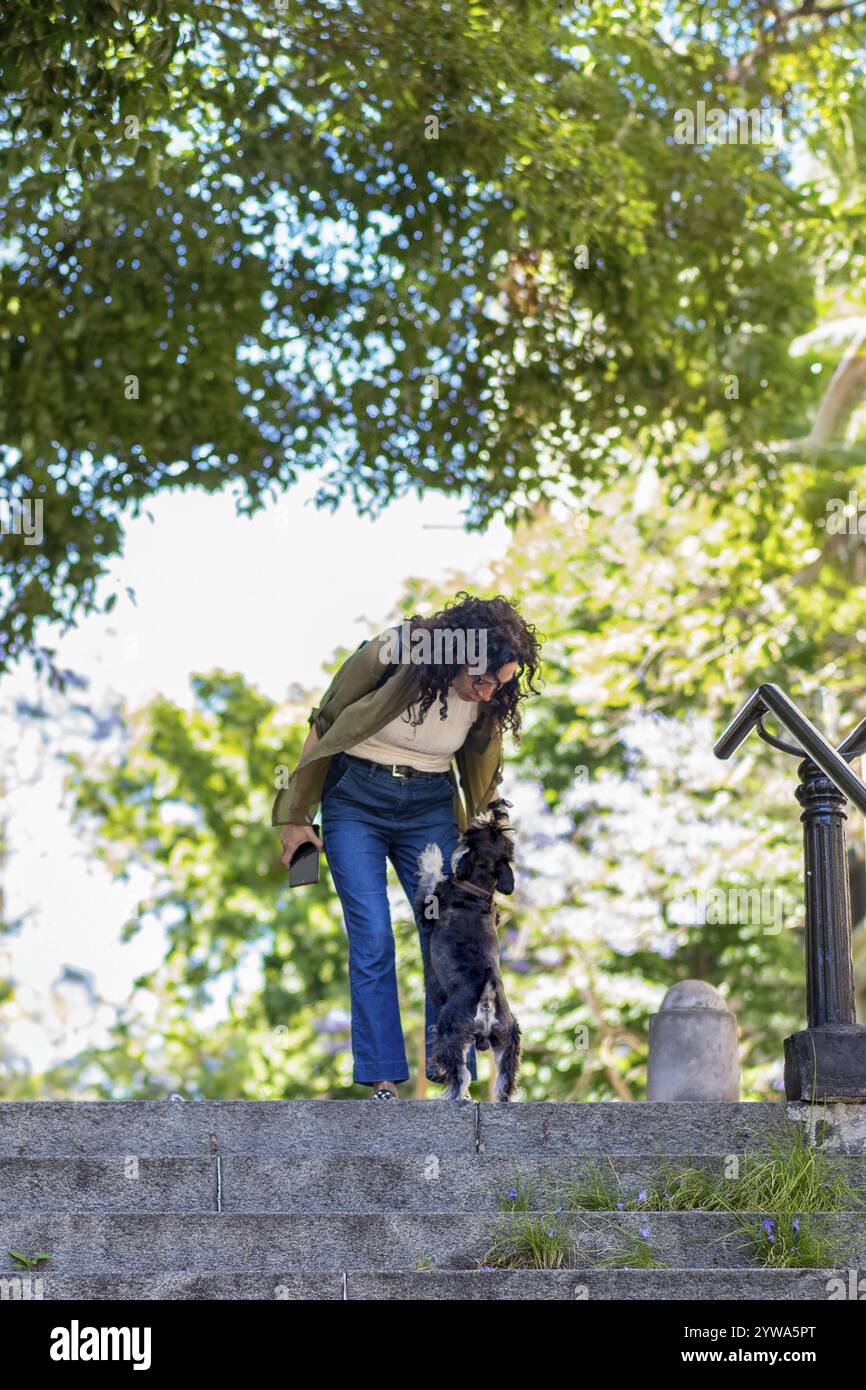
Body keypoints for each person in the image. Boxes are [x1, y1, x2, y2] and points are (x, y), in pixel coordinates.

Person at [274, 591, 542, 1097]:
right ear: (457, 655)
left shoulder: (486, 701)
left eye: (498, 685)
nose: (486, 693)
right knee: (373, 937)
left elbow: (486, 775)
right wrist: (295, 816)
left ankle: (452, 1073)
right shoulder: (396, 653)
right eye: (480, 679)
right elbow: (324, 721)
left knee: (448, 935)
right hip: (356, 800)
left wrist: (495, 832)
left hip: (429, 806)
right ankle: (381, 1082)